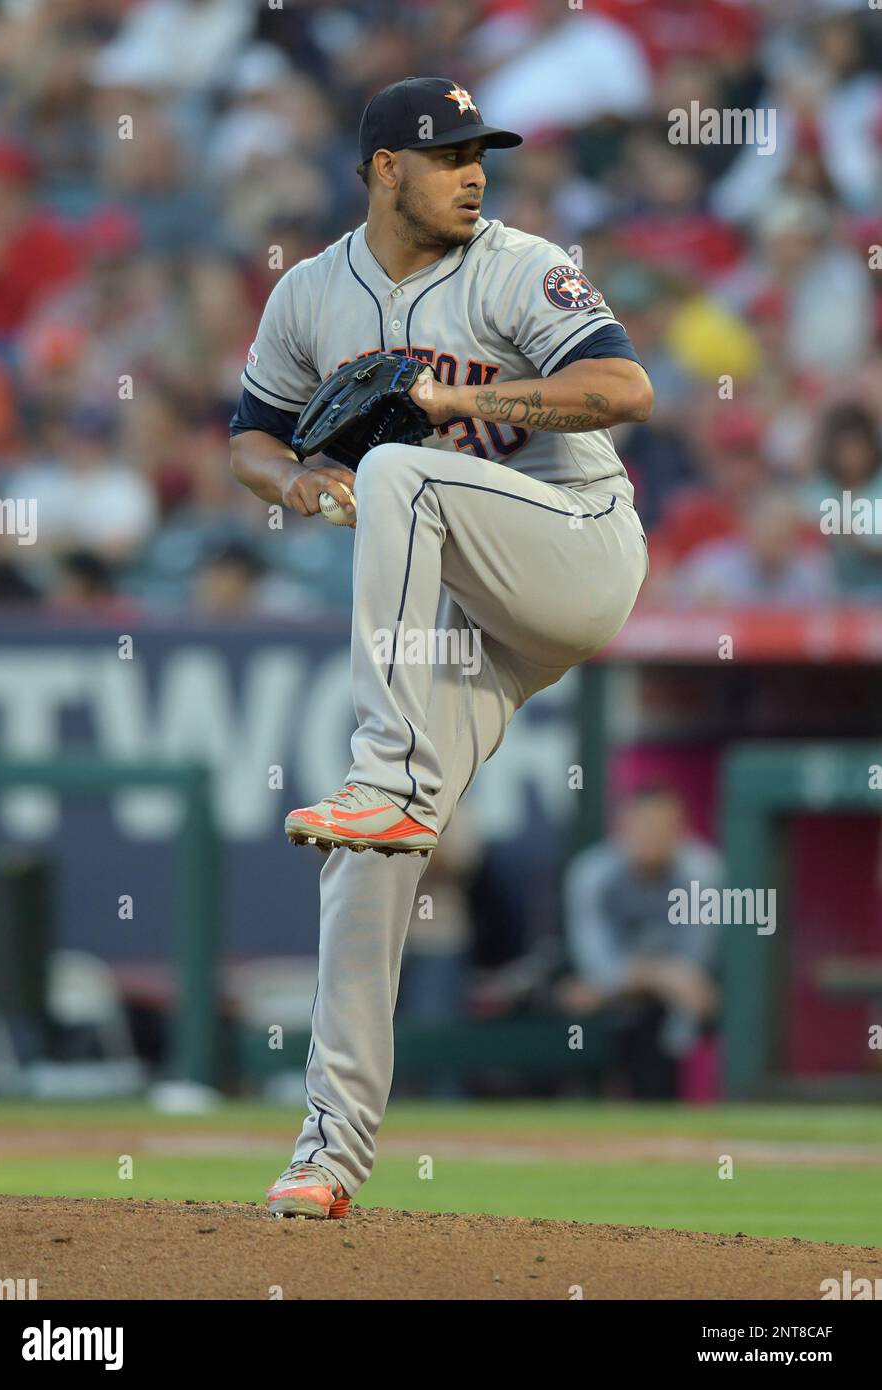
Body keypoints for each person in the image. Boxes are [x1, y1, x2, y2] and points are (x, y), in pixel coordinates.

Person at [229, 77, 652, 1218]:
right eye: (449, 151)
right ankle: (327, 1153)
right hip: (472, 609)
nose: (474, 171)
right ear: (382, 169)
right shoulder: (311, 292)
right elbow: (253, 439)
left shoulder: (520, 263)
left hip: (575, 547)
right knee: (368, 863)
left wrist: (440, 393)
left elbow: (626, 385)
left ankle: (391, 774)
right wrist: (297, 480)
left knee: (399, 468)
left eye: (483, 150)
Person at [558, 787, 722, 1099]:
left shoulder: (703, 873)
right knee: (577, 997)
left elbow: (697, 962)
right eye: (643, 828)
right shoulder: (592, 873)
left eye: (662, 829)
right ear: (623, 829)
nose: (652, 838)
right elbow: (596, 964)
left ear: (681, 832)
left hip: (685, 997)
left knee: (704, 999)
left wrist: (652, 978)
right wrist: (659, 976)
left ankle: (713, 1102)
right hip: (617, 994)